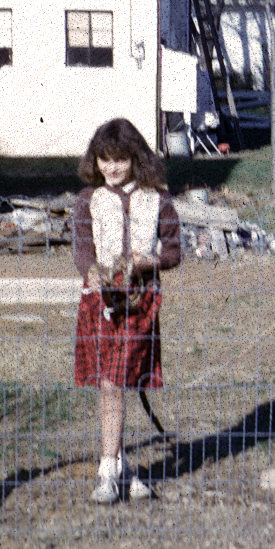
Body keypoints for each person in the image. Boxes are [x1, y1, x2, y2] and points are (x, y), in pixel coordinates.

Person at [73, 118, 181, 504]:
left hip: (140, 302)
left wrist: (147, 260)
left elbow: (173, 252)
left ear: (136, 159)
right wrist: (94, 273)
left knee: (118, 382)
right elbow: (82, 248)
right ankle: (114, 470)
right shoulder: (89, 199)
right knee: (108, 382)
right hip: (100, 303)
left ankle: (111, 470)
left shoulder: (158, 198)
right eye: (105, 160)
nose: (112, 169)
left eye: (120, 160)